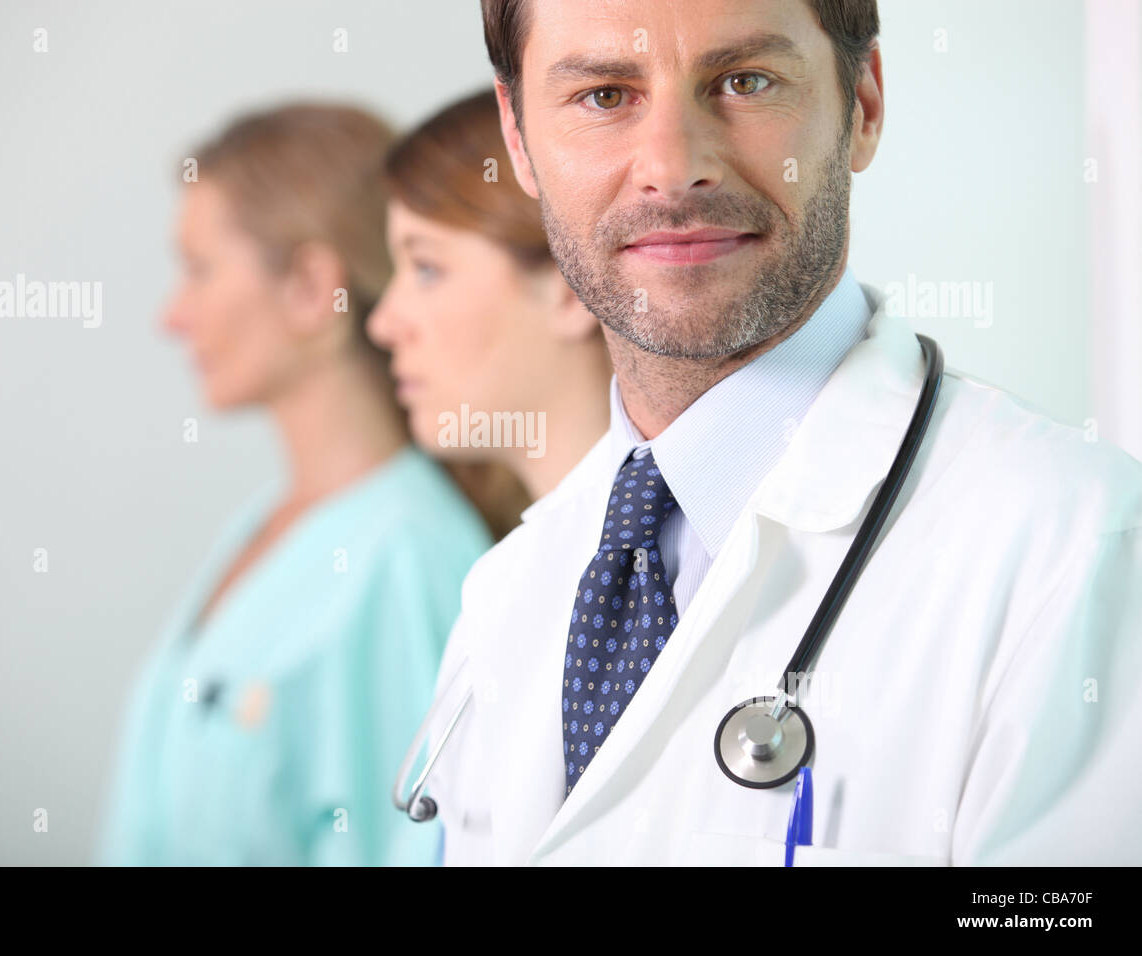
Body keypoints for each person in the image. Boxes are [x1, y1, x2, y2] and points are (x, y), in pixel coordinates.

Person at [418, 0, 1142, 865]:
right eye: (606, 96)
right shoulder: (506, 596)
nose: (673, 168)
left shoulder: (1074, 549)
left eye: (744, 81)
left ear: (863, 105)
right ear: (520, 139)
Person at [96, 103, 491, 866]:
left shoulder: (406, 557)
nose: (171, 317)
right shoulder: (263, 529)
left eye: (200, 269)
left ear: (313, 287)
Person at [367, 89, 611, 539]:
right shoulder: (499, 593)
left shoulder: (719, 557)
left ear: (573, 287)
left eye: (426, 269)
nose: (382, 324)